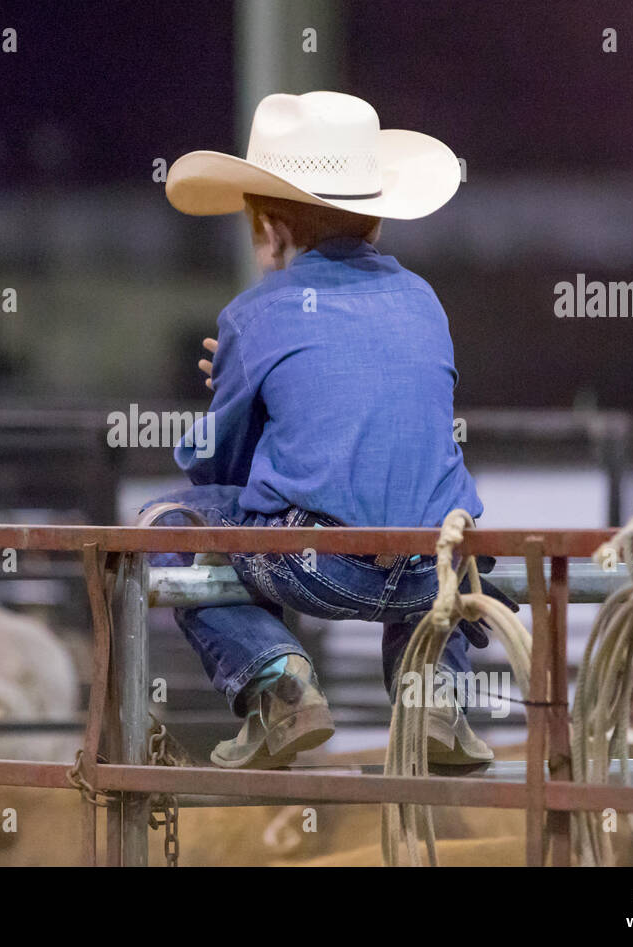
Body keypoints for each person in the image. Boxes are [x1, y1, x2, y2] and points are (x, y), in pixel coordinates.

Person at [145, 91, 514, 770]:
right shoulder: (425, 300)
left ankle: (278, 681)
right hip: (435, 568)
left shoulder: (255, 313)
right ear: (376, 221)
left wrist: (239, 387)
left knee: (164, 521)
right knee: (428, 511)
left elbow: (218, 468)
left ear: (270, 231)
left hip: (320, 565)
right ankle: (432, 689)